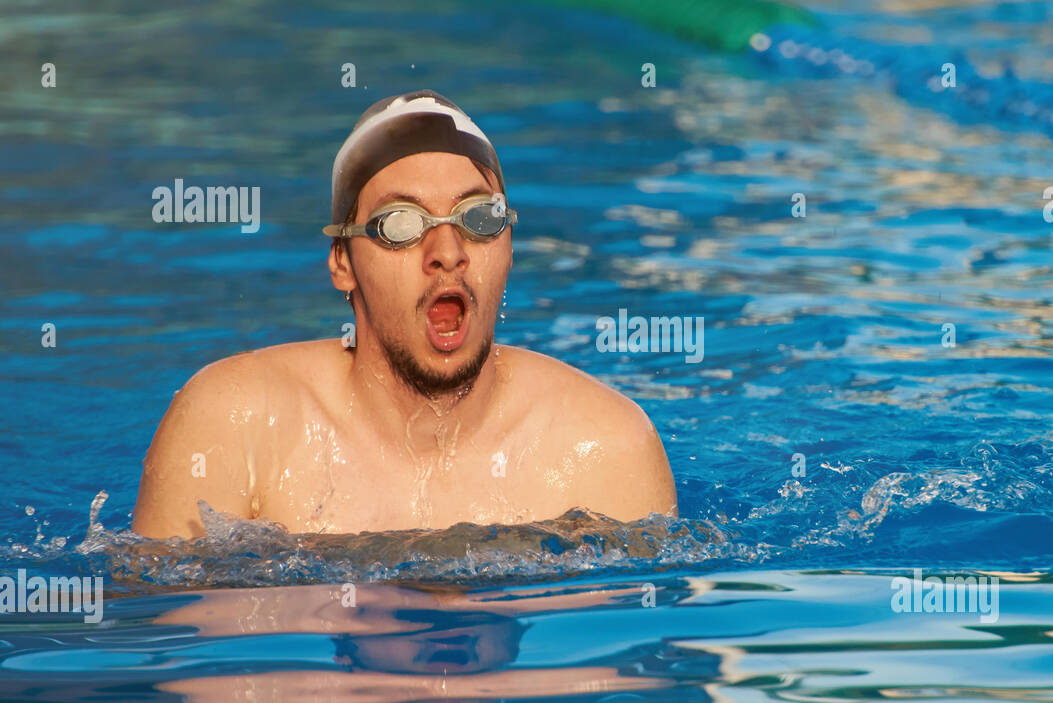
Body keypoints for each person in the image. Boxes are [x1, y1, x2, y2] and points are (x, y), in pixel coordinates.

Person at [132, 90, 677, 539]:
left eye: (478, 217)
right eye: (400, 223)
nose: (447, 249)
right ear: (343, 263)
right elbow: (178, 640)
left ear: (509, 246)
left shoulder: (604, 448)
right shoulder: (233, 426)